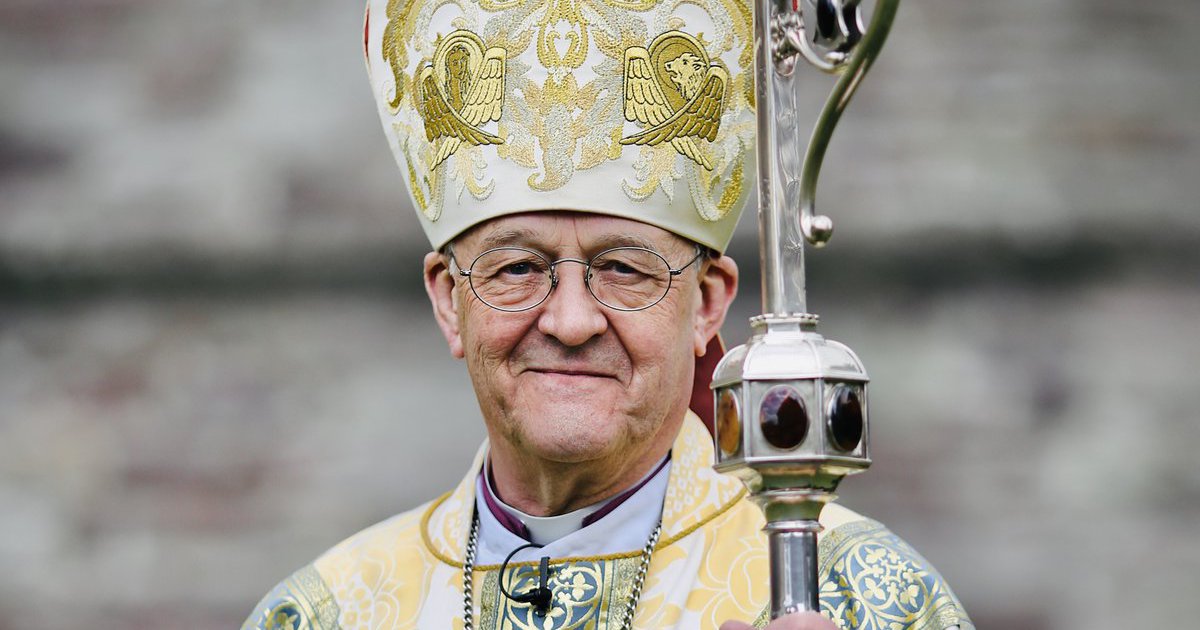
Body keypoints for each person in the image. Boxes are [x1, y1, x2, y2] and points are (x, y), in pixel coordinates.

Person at [243, 0, 974, 627]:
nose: (570, 322)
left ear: (707, 304)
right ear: (448, 300)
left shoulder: (859, 598)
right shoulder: (329, 612)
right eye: (518, 268)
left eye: (624, 269)